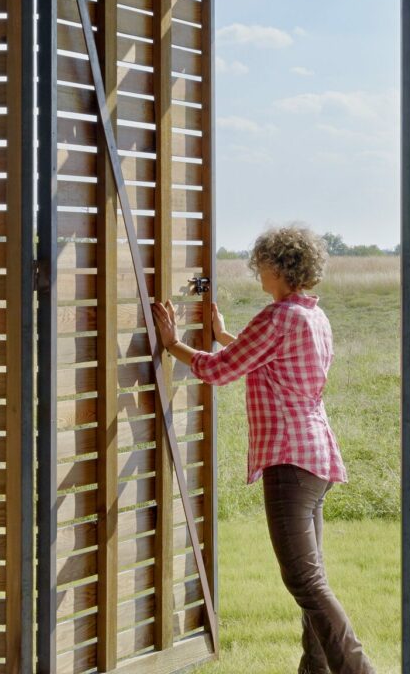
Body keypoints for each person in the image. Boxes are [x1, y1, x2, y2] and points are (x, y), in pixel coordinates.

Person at [151, 225, 377, 674]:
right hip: (315, 459)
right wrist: (223, 336)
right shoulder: (313, 316)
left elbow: (219, 372)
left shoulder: (278, 317)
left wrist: (172, 343)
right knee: (312, 579)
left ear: (279, 267)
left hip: (289, 462)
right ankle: (315, 670)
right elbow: (269, 361)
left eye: (262, 264)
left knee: (304, 580)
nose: (258, 270)